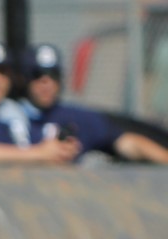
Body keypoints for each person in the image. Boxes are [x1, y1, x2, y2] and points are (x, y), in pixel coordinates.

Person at [21, 42, 168, 165]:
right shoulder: (12, 116)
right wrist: (40, 153)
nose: (46, 84)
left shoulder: (77, 118)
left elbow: (128, 143)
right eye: (37, 75)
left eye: (53, 75)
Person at [0, 41, 79, 166]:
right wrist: (40, 152)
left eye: (2, 72)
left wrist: (61, 149)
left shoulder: (14, 110)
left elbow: (33, 142)